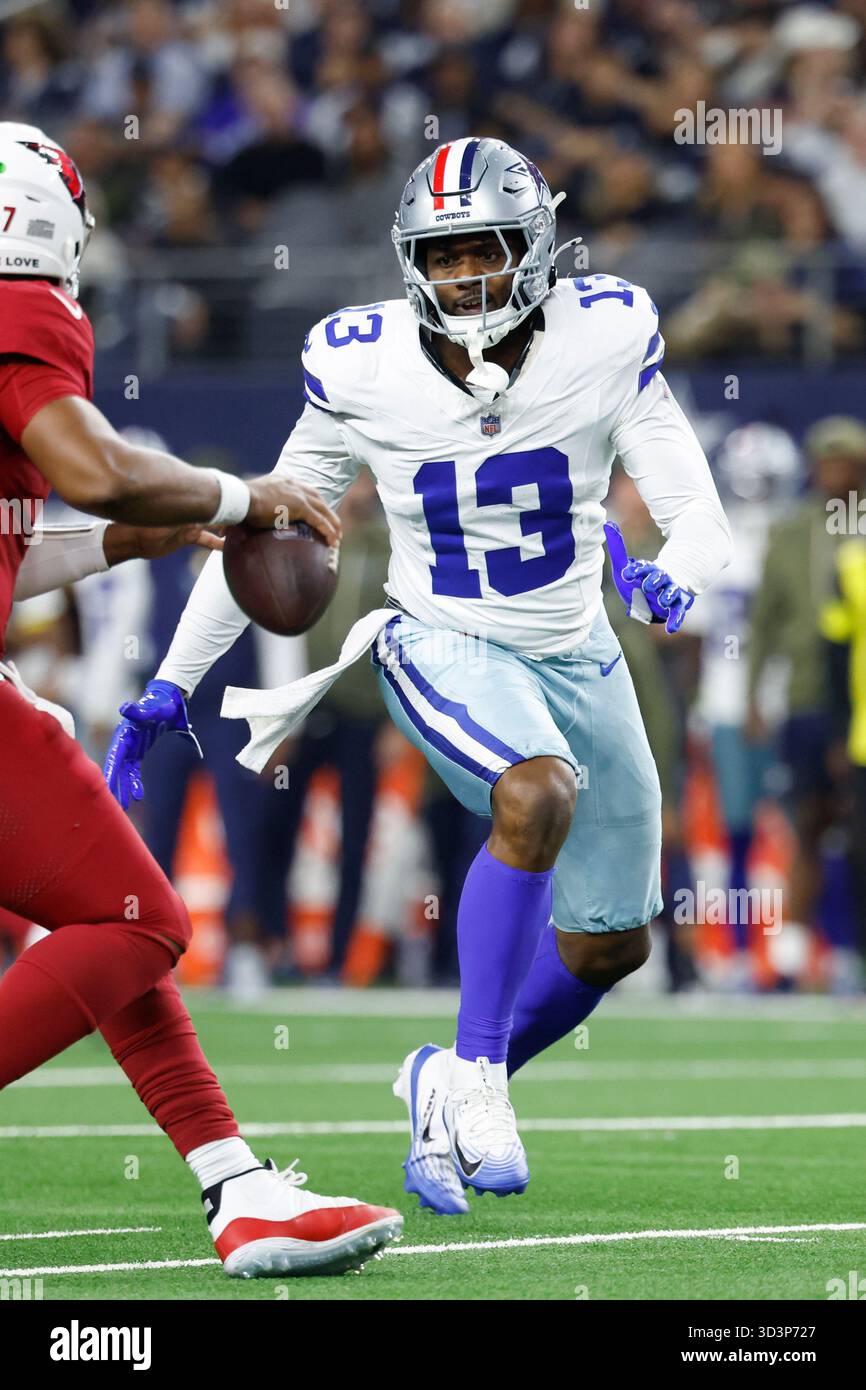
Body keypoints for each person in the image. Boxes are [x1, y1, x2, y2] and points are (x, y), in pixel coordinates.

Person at [106, 136, 731, 1216]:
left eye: (484, 250)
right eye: (441, 257)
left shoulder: (602, 335)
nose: (463, 278)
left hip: (575, 648)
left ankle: (442, 1078)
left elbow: (694, 511)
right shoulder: (362, 364)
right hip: (442, 638)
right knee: (533, 792)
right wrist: (172, 681)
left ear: (533, 248)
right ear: (409, 263)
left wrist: (679, 573)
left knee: (609, 943)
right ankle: (480, 1076)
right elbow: (266, 529)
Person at [0, 122, 401, 1273]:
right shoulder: (23, 304)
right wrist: (239, 496)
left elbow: (33, 535)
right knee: (142, 919)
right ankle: (237, 1186)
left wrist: (136, 536)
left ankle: (234, 1183)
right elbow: (93, 465)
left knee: (107, 906)